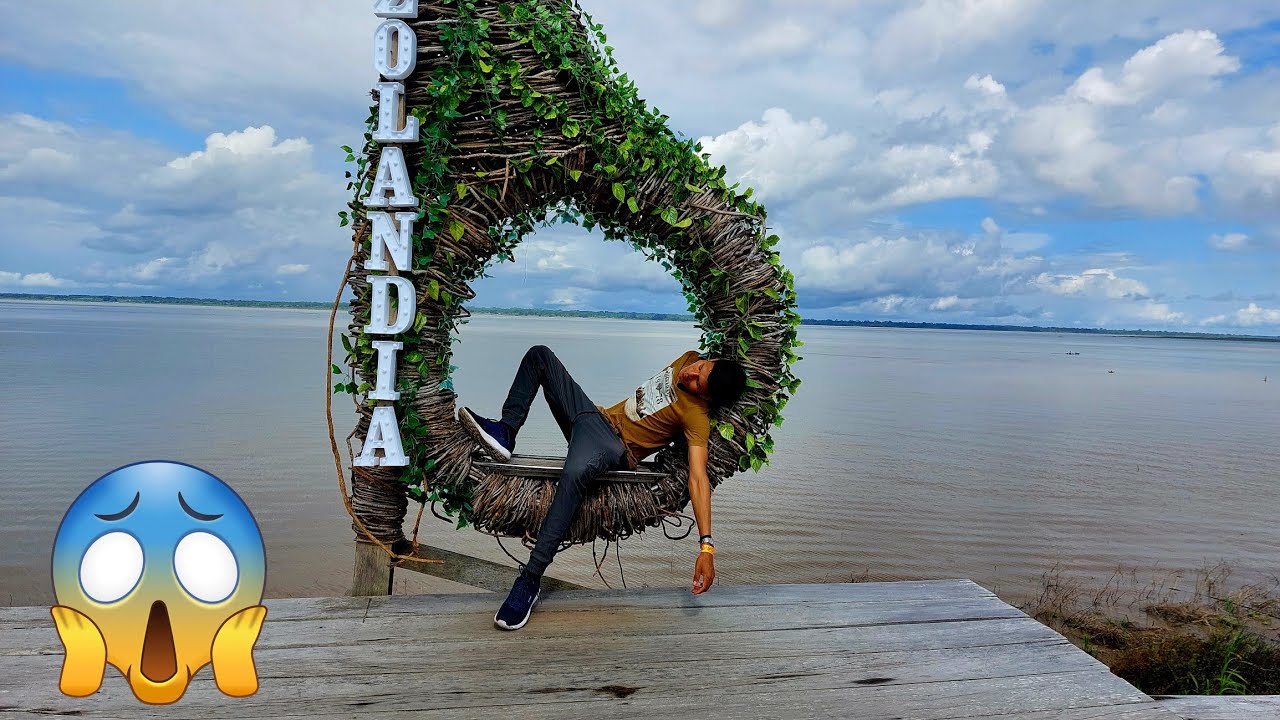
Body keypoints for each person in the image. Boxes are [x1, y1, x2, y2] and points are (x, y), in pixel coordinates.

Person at [458, 344, 748, 630]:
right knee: (540, 355)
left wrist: (706, 548)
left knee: (573, 476)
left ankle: (530, 579)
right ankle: (507, 431)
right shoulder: (689, 357)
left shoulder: (697, 417)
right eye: (701, 367)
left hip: (611, 446)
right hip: (593, 417)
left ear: (707, 397)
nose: (691, 374)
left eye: (699, 382)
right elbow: (712, 362)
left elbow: (698, 478)